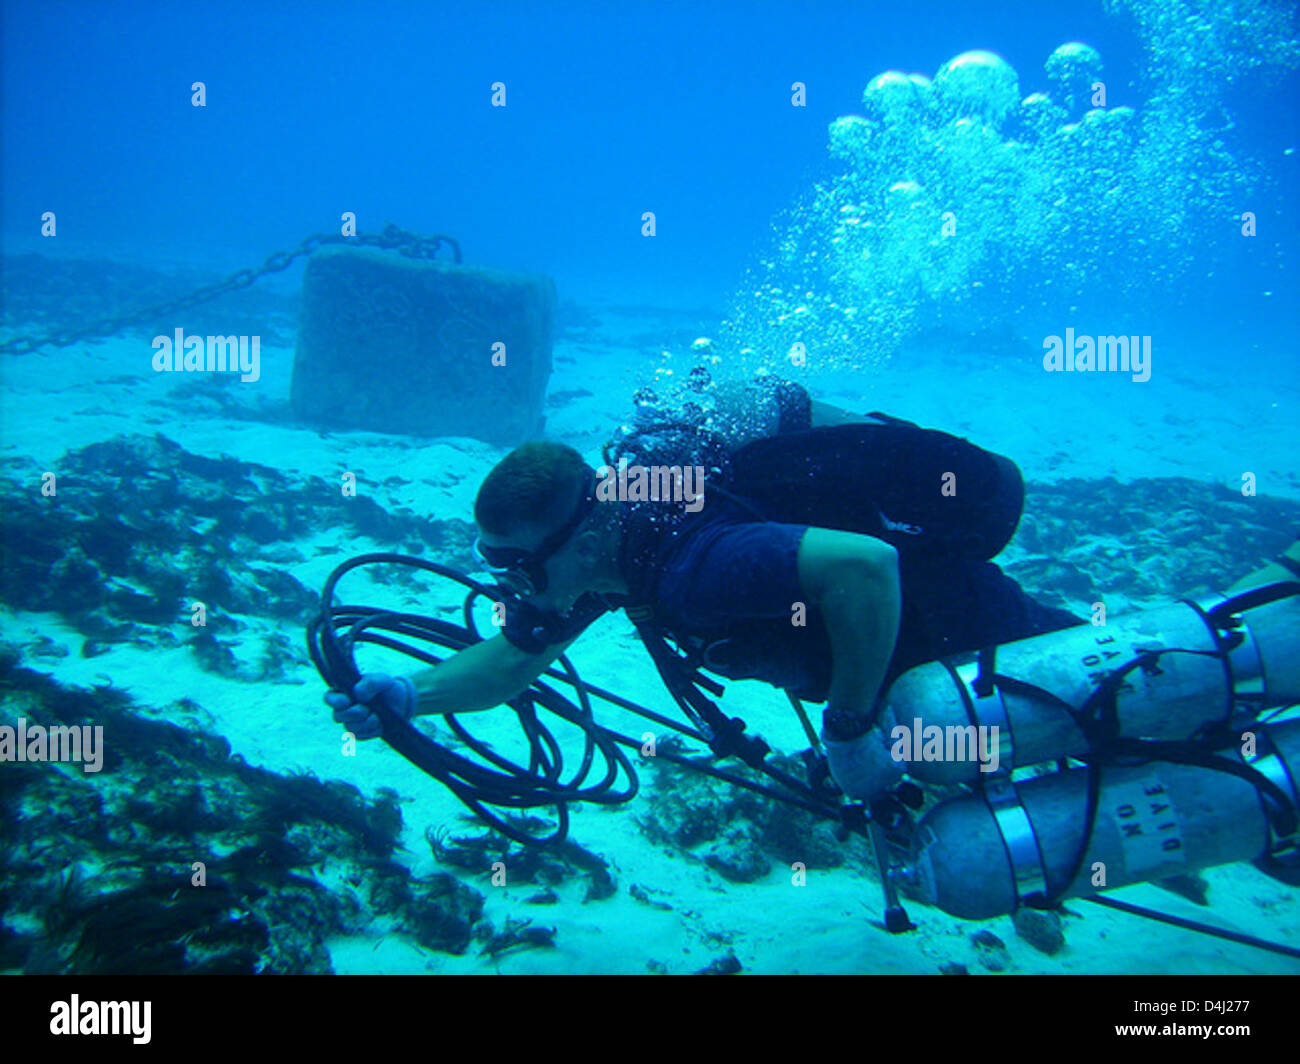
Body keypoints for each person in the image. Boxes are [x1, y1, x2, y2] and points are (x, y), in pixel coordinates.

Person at [327, 379, 1090, 801]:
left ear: (584, 540)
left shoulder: (696, 567)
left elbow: (865, 567)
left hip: (961, 635)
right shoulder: (608, 546)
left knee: (1107, 710)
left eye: (519, 568)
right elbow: (508, 664)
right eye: (499, 569)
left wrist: (851, 722)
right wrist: (406, 693)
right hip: (921, 663)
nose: (513, 589)